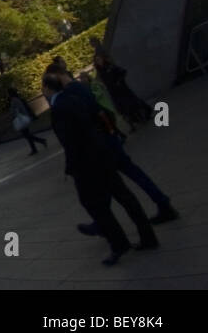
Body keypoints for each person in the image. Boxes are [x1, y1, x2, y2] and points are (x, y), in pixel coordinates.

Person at [42, 70, 156, 265]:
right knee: (124, 195)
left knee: (93, 205)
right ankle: (147, 235)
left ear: (47, 89)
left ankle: (118, 243)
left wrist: (71, 168)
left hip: (86, 163)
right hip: (102, 152)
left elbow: (70, 141)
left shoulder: (59, 107)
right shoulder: (75, 96)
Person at [93, 42, 151, 129]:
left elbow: (122, 72)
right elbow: (103, 81)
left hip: (121, 89)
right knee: (123, 108)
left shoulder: (110, 66)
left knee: (132, 103)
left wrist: (119, 81)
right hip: (114, 92)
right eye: (97, 61)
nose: (99, 62)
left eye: (99, 59)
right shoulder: (101, 71)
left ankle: (143, 116)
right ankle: (133, 123)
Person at [8, 87, 48, 155]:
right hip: (24, 117)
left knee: (27, 135)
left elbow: (15, 110)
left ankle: (40, 142)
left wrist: (13, 114)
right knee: (27, 134)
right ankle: (36, 147)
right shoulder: (18, 98)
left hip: (21, 119)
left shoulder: (14, 100)